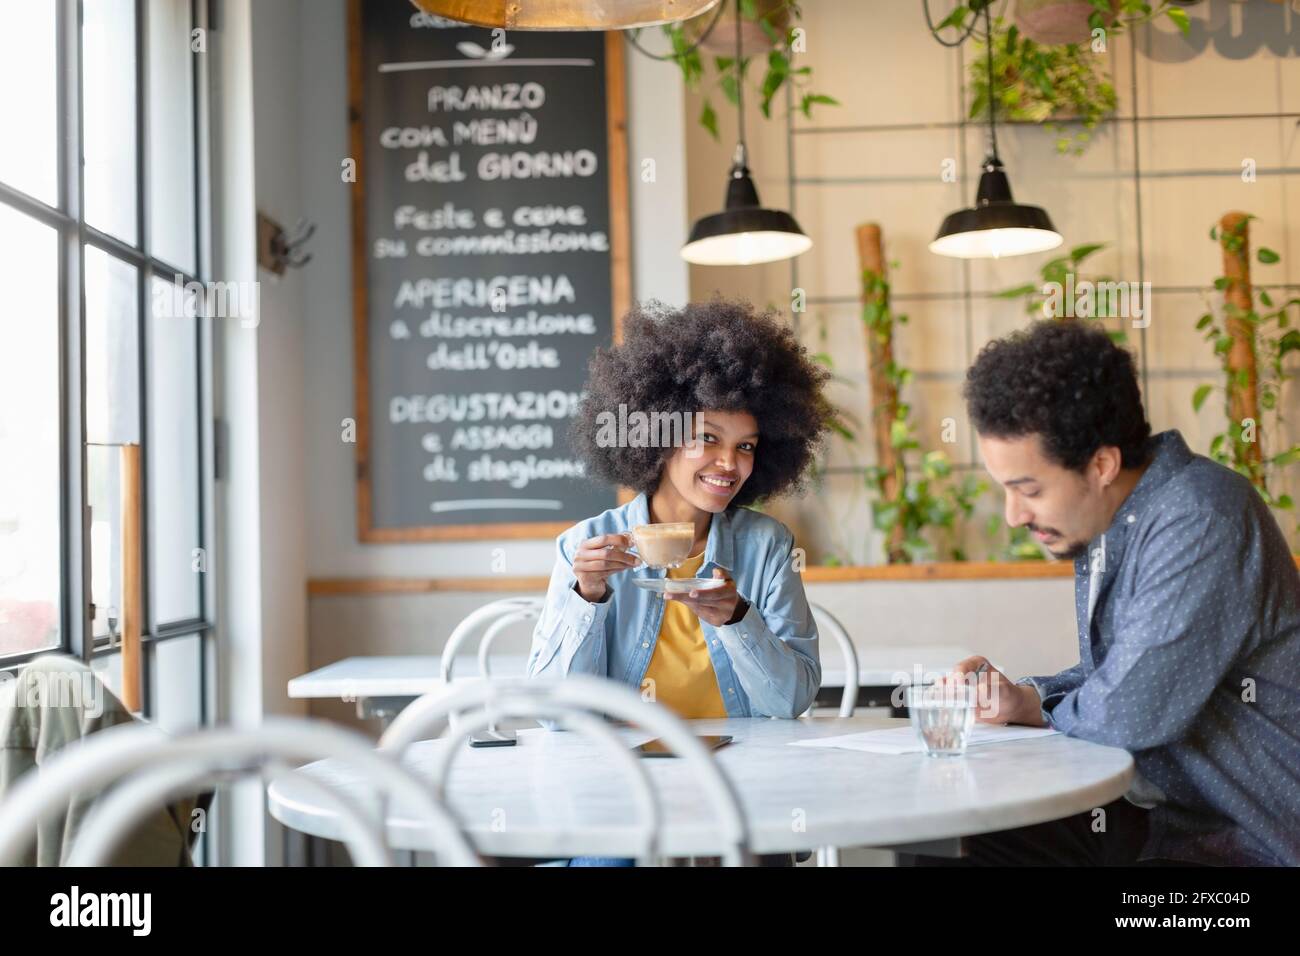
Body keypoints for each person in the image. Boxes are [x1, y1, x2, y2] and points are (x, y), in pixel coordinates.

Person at [913, 319, 1300, 867]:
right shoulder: (1115, 519)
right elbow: (1123, 674)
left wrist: (1041, 709)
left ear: (1101, 464)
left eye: (1029, 490)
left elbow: (1130, 710)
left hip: (1250, 842)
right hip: (1164, 820)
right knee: (962, 838)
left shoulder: (1201, 519)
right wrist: (1027, 699)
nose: (1014, 514)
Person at [526, 297, 830, 866]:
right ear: (660, 437)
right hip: (621, 789)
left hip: (745, 786)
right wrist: (586, 596)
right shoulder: (585, 548)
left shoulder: (767, 548)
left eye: (745, 447)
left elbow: (790, 702)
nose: (728, 464)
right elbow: (553, 712)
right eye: (708, 439)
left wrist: (738, 620)